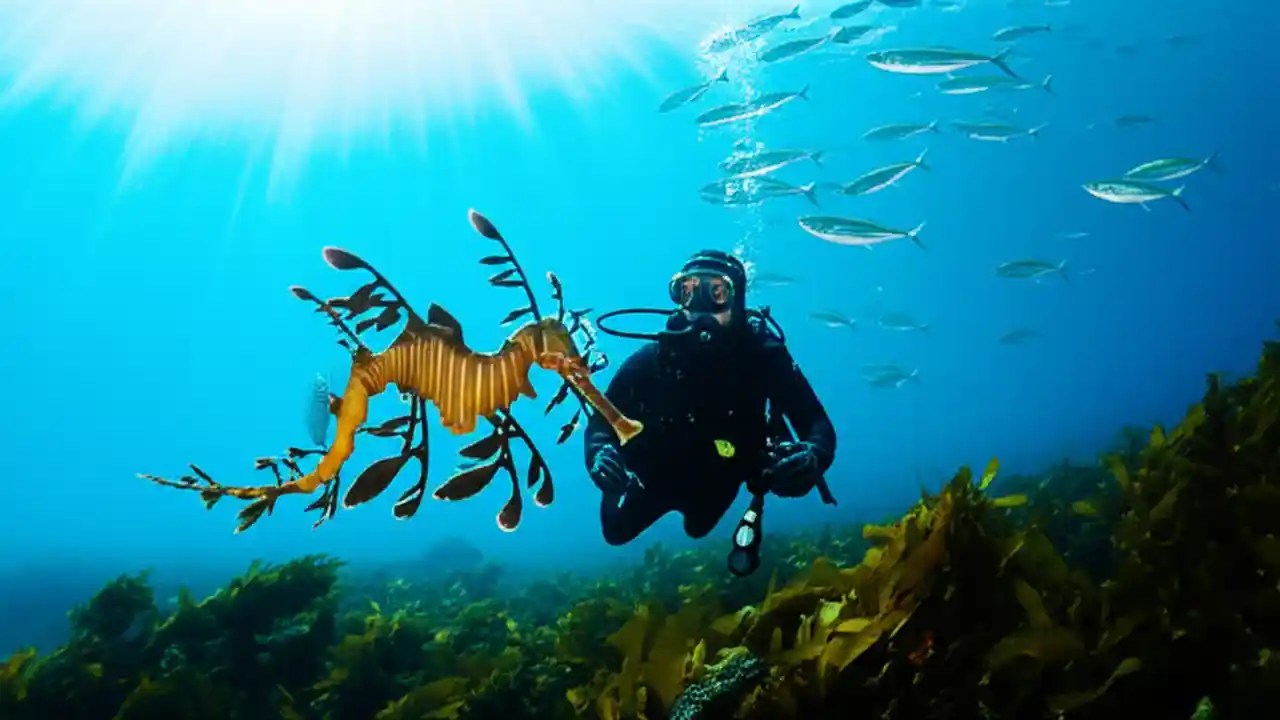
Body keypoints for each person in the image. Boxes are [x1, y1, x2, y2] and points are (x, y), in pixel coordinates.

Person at [584, 249, 837, 547]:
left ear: (737, 297)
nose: (701, 307)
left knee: (698, 528)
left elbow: (816, 422)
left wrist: (812, 456)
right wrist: (601, 456)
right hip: (659, 465)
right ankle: (620, 487)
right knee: (615, 533)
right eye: (688, 292)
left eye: (716, 292)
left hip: (723, 471)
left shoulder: (764, 356)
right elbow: (603, 421)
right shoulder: (655, 358)